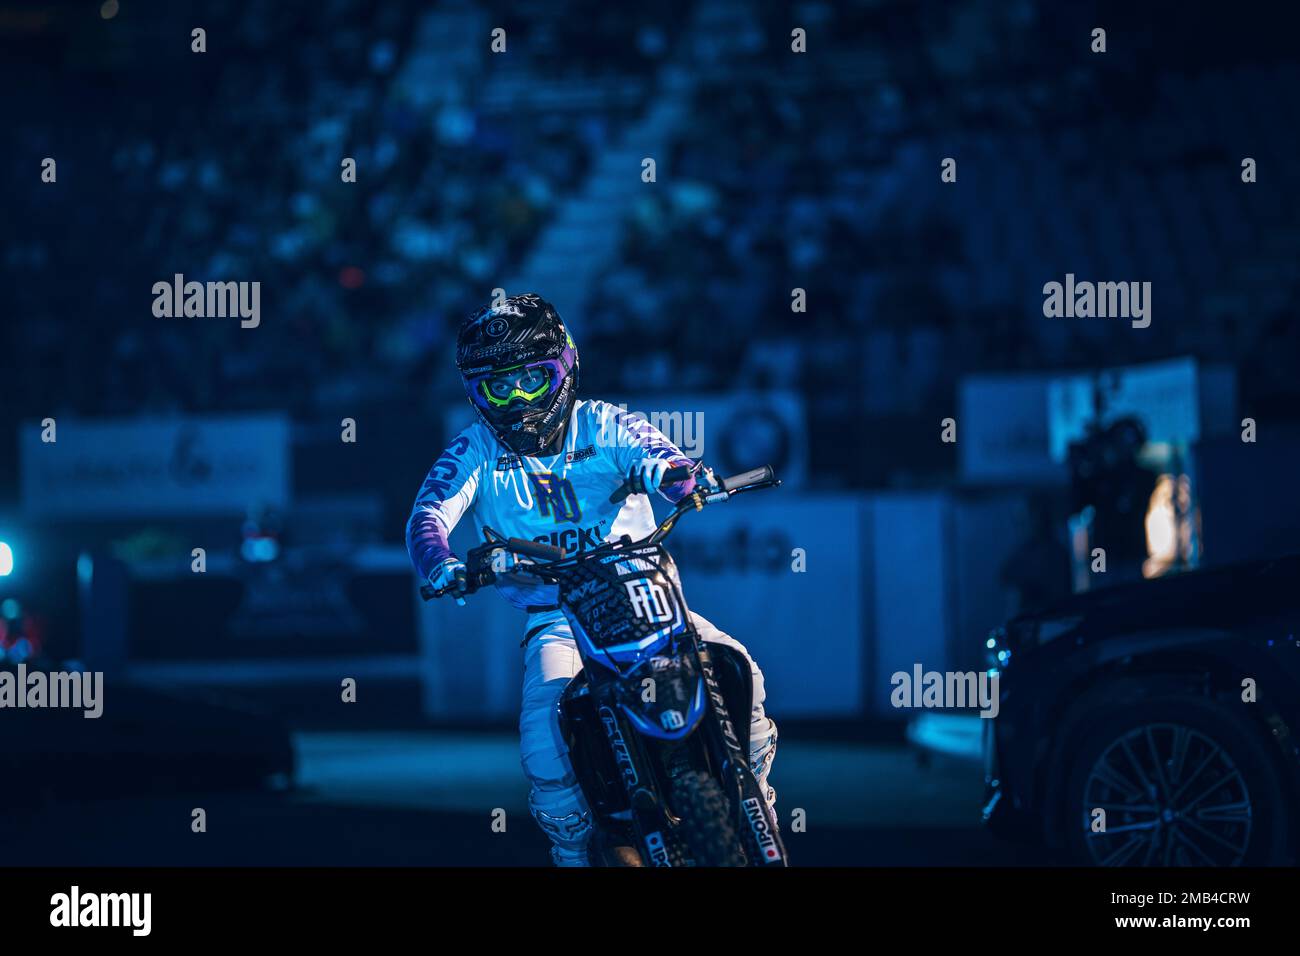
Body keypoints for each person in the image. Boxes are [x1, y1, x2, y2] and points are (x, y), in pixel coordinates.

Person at [406, 293, 777, 866]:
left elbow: (659, 459)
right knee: (545, 744)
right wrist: (443, 564)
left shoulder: (604, 421)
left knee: (740, 670)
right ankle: (574, 856)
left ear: (566, 365)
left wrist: (685, 482)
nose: (521, 398)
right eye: (499, 386)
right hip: (556, 617)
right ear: (474, 392)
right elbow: (428, 516)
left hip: (645, 594)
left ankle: (761, 810)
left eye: (533, 377)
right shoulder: (471, 450)